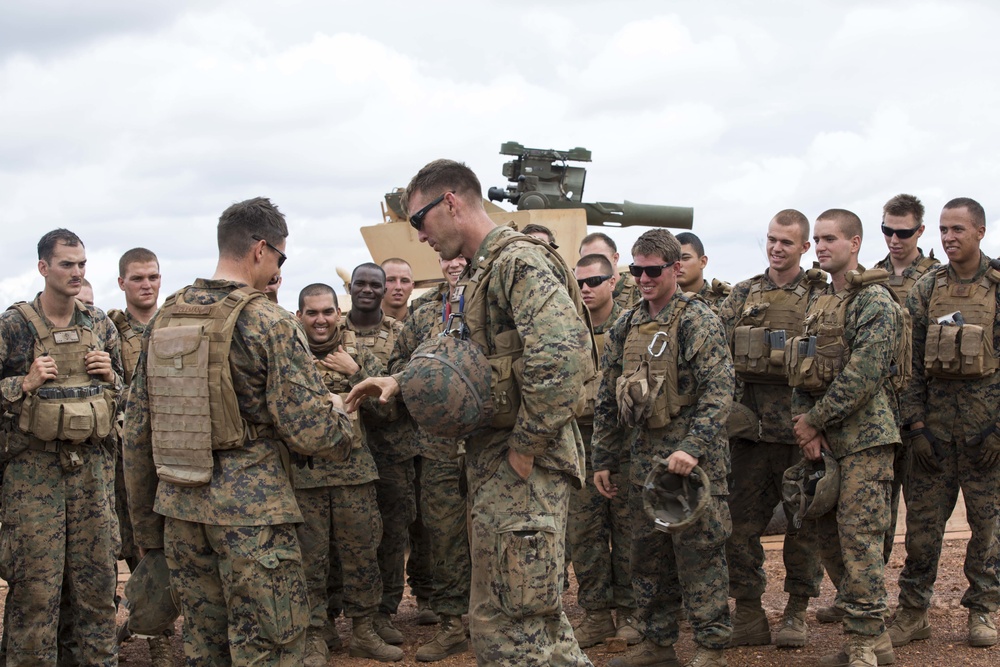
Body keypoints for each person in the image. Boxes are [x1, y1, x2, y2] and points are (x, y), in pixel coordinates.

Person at [347, 159, 595, 666]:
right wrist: (399, 380)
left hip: (525, 472)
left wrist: (524, 450)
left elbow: (563, 359)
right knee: (517, 623)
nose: (419, 237)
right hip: (496, 468)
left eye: (419, 221)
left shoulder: (517, 263)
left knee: (518, 629)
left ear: (452, 203)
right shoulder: (484, 273)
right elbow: (465, 357)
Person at [123, 197, 354, 666]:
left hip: (182, 512)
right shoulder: (268, 322)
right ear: (261, 249)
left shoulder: (167, 317)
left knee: (205, 647)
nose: (276, 269)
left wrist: (148, 532)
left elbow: (137, 434)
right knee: (269, 647)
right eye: (280, 258)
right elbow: (311, 432)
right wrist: (342, 416)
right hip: (254, 519)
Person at [593, 229, 734, 667]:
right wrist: (603, 457)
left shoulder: (696, 319)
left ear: (675, 269)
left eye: (652, 270)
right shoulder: (628, 323)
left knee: (699, 556)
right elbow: (607, 396)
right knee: (647, 557)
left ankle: (712, 648)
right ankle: (658, 643)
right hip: (642, 463)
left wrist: (692, 448)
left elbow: (720, 389)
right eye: (636, 270)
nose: (643, 278)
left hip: (691, 465)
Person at [0, 229, 123, 666]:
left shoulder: (101, 325)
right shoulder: (14, 327)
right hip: (33, 473)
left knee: (96, 589)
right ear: (43, 268)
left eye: (82, 264)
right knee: (36, 591)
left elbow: (127, 398)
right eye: (67, 264)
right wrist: (25, 383)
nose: (76, 272)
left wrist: (111, 377)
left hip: (91, 471)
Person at [789, 209, 903, 667]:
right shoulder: (817, 303)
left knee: (860, 544)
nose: (820, 246)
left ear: (855, 243)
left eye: (830, 238)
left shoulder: (873, 300)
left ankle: (862, 647)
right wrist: (805, 424)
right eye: (816, 239)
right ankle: (876, 639)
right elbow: (798, 369)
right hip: (824, 443)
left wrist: (815, 420)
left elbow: (864, 374)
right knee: (827, 540)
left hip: (865, 442)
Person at [890, 197, 999, 650]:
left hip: (985, 437)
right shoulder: (927, 287)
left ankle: (984, 611)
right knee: (921, 532)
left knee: (988, 532)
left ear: (979, 232)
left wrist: (998, 430)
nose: (949, 238)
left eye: (957, 229)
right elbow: (908, 361)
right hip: (932, 438)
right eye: (943, 229)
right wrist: (915, 426)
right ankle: (914, 613)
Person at [717, 210, 826, 650]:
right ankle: (748, 611)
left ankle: (797, 612)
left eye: (786, 242)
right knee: (739, 527)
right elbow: (715, 353)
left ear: (804, 247)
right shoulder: (743, 294)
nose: (776, 248)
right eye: (771, 240)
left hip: (801, 435)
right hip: (752, 436)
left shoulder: (820, 295)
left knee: (804, 528)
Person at [293, 283, 402, 664]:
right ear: (299, 316)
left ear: (338, 314)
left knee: (362, 556)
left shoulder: (358, 351)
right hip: (305, 477)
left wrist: (357, 371)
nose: (320, 320)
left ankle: (363, 632)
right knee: (310, 561)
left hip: (354, 474)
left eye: (327, 312)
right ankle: (314, 635)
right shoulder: (290, 353)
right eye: (312, 313)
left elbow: (389, 410)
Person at [386, 253, 472, 662]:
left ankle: (499, 620)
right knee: (444, 533)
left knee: (493, 532)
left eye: (461, 257)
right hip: (436, 444)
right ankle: (454, 624)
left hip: (486, 440)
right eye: (445, 257)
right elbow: (399, 370)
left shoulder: (491, 302)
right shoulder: (422, 313)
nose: (454, 264)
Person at [345, 262, 430, 642]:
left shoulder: (401, 335)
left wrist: (354, 371)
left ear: (383, 291)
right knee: (347, 537)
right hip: (344, 456)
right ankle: (339, 612)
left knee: (393, 537)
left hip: (393, 455)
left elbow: (396, 402)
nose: (367, 289)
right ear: (349, 287)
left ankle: (383, 613)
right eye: (360, 283)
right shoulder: (330, 330)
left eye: (374, 284)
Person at [567, 253, 641, 648]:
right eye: (580, 282)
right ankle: (596, 615)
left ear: (613, 281)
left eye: (594, 281)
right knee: (585, 533)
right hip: (580, 443)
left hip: (624, 443)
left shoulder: (631, 326)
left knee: (628, 529)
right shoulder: (567, 328)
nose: (586, 289)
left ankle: (630, 611)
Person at [106, 247, 173, 665]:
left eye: (152, 277)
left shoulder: (173, 323)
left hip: (164, 454)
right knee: (119, 547)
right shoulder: (108, 330)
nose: (146, 285)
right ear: (122, 284)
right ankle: (110, 628)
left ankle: (159, 640)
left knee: (159, 552)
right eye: (137, 278)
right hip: (117, 460)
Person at [868, 194, 939, 568]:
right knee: (873, 515)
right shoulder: (868, 278)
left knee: (923, 519)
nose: (894, 240)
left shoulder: (936, 279)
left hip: (923, 415)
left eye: (904, 232)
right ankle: (870, 597)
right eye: (887, 231)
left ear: (920, 230)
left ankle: (915, 604)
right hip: (878, 415)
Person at [580, 232, 640, 309]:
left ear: (615, 258)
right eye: (586, 260)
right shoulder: (577, 295)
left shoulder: (638, 289)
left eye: (599, 258)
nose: (592, 264)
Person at [675, 232, 730, 313]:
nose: (678, 265)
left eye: (685, 258)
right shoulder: (657, 303)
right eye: (673, 260)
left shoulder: (727, 303)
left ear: (702, 262)